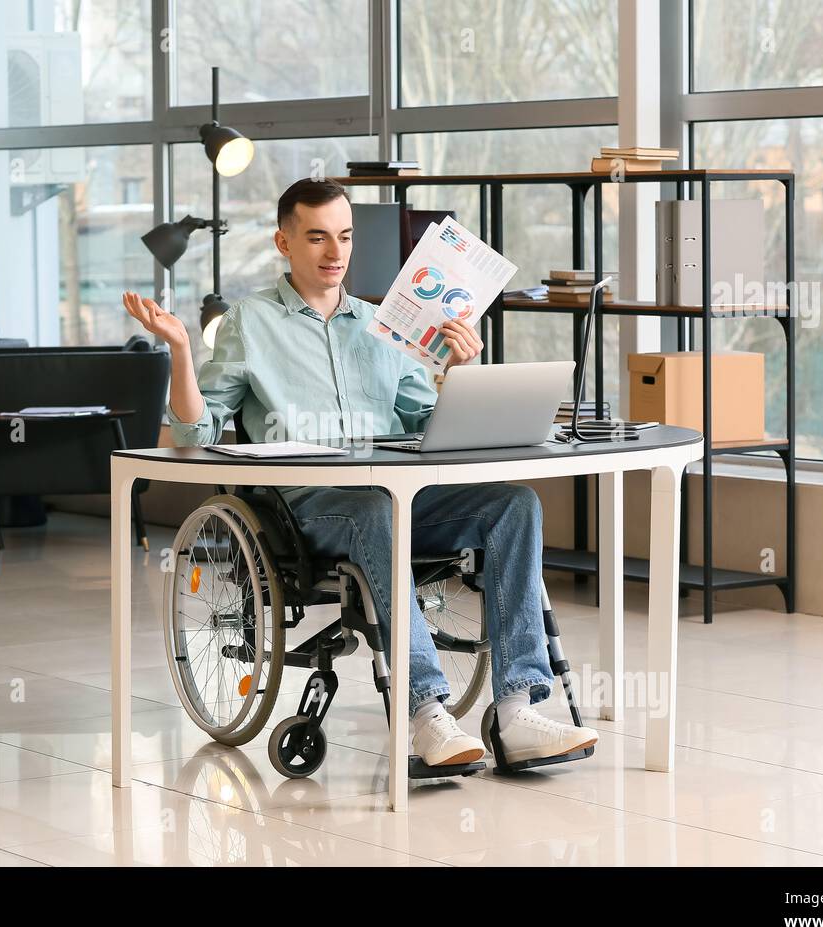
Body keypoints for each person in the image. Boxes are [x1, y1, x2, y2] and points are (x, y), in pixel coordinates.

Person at [121, 177, 597, 769]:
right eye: (317, 237)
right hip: (307, 508)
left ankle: (516, 709)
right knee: (376, 507)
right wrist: (181, 354)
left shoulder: (385, 325)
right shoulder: (250, 322)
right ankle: (426, 711)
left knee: (514, 503)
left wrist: (461, 371)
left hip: (397, 491)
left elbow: (429, 421)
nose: (334, 252)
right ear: (284, 242)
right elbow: (197, 433)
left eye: (344, 236)